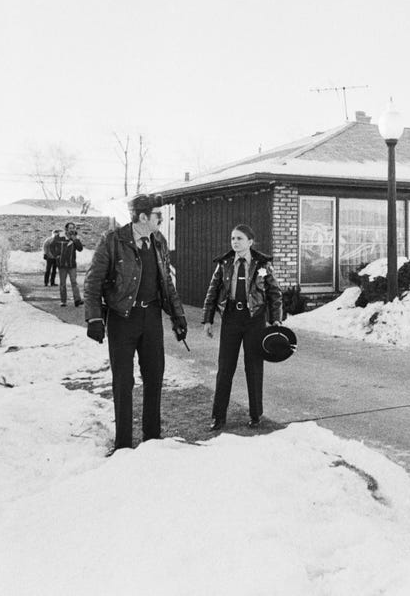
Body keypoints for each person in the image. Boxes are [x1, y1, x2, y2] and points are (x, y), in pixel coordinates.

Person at [83, 194, 187, 452]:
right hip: (122, 319)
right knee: (123, 381)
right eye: (157, 216)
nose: (161, 219)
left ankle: (152, 440)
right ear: (143, 217)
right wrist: (95, 318)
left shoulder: (159, 242)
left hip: (151, 318)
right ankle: (123, 446)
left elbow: (167, 283)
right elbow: (93, 282)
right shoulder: (113, 241)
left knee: (155, 376)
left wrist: (178, 316)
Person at [201, 224, 283, 431]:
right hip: (231, 319)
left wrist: (276, 320)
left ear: (250, 242)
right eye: (232, 238)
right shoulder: (225, 264)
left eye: (239, 238)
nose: (235, 242)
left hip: (254, 319)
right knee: (225, 367)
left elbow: (274, 292)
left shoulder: (262, 264)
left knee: (253, 367)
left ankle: (256, 415)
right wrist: (207, 320)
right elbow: (212, 292)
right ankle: (218, 417)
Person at [53, 222, 84, 306]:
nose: (72, 230)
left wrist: (75, 239)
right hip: (62, 264)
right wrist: (56, 255)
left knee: (74, 282)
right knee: (63, 283)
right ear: (66, 229)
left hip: (71, 264)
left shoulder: (75, 238)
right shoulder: (59, 237)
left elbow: (80, 248)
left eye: (73, 228)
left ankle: (77, 300)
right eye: (70, 228)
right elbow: (52, 246)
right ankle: (63, 301)